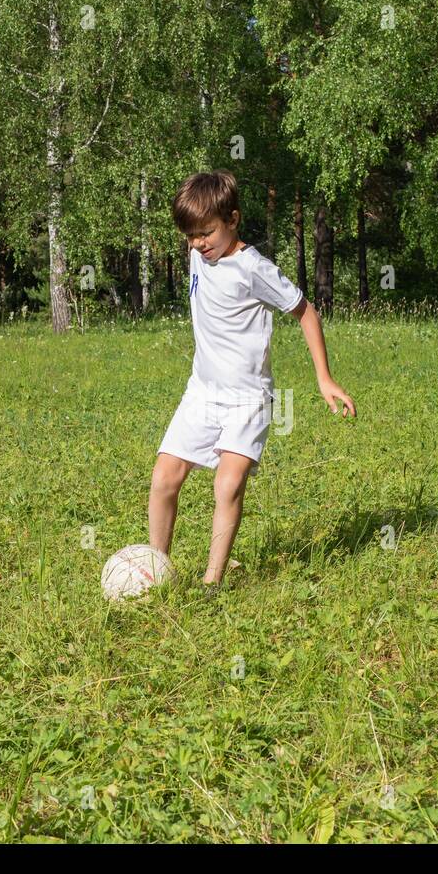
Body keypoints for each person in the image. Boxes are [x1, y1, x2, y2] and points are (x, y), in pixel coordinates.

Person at [149, 169, 356, 590]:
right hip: (202, 392)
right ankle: (155, 570)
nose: (198, 244)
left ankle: (212, 583)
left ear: (234, 219)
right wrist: (196, 237)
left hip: (247, 398)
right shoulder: (197, 253)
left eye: (206, 233)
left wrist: (324, 378)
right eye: (190, 236)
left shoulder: (253, 268)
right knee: (164, 479)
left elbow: (306, 312)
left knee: (227, 484)